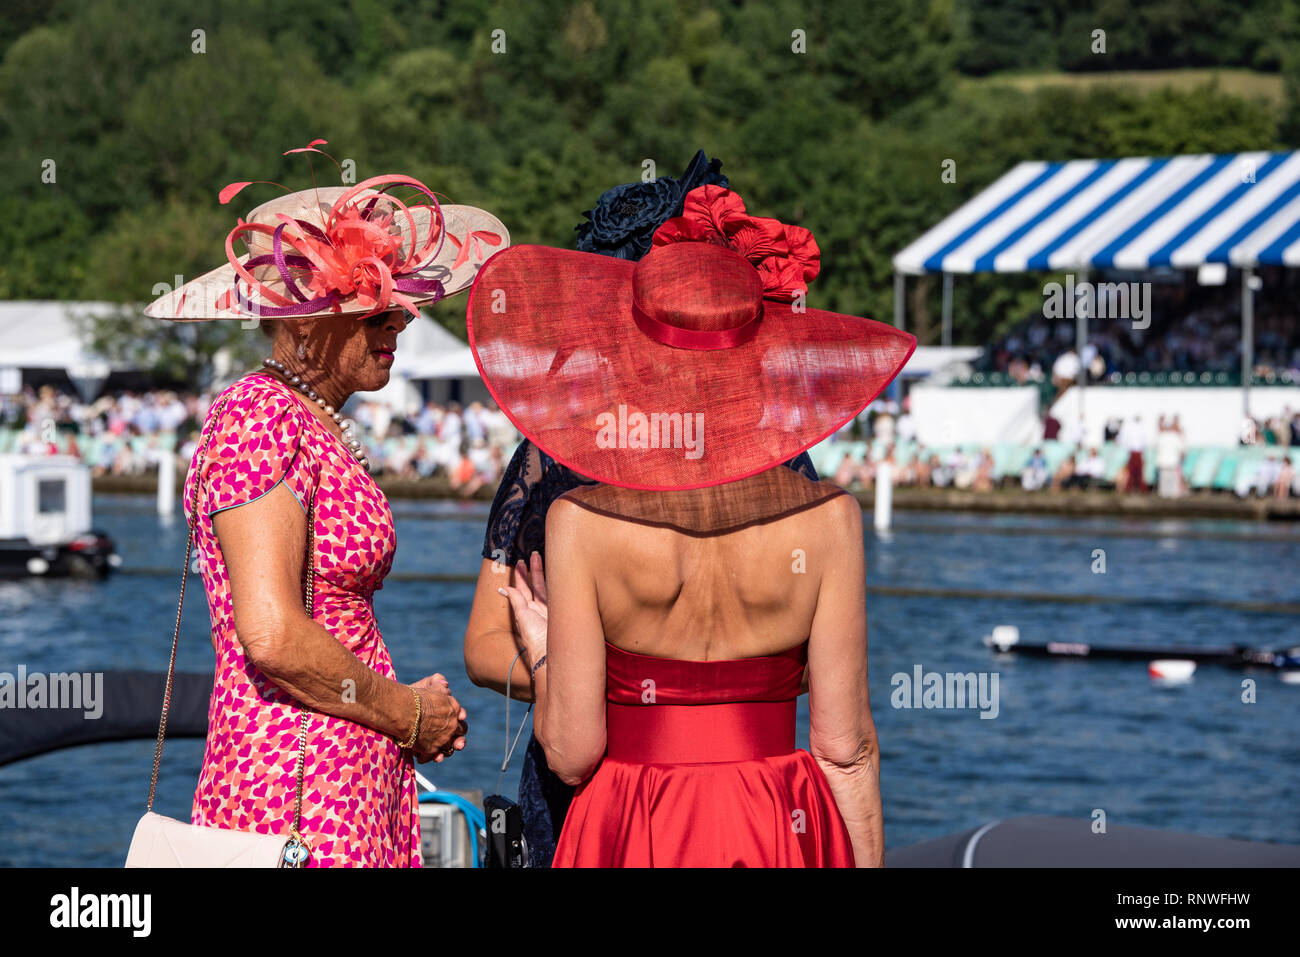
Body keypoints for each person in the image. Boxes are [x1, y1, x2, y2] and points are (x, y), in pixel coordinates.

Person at [477, 183, 915, 866]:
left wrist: (540, 649)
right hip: (777, 819)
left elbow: (570, 752)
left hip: (635, 822)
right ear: (762, 358)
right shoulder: (830, 520)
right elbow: (847, 752)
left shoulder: (580, 523)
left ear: (638, 360)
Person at [144, 145, 508, 865]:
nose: (398, 328)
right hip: (296, 788)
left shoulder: (310, 418)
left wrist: (398, 700)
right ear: (309, 320)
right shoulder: (261, 416)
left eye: (400, 312)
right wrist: (406, 713)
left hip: (336, 771)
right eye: (378, 314)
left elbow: (320, 621)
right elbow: (273, 636)